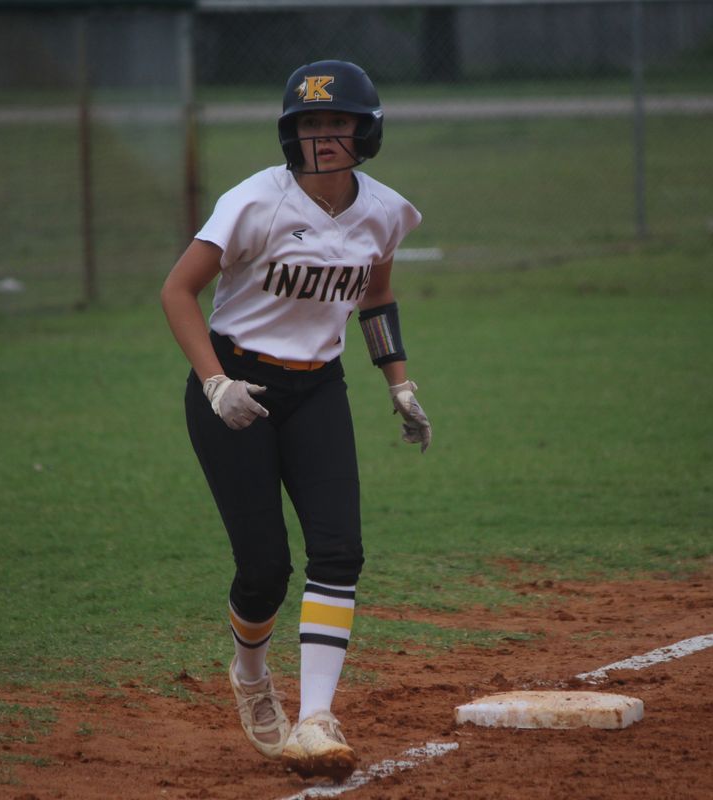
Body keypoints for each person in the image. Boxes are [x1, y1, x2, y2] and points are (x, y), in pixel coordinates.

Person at [159, 59, 432, 782]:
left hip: (318, 388)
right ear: (290, 133)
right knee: (265, 568)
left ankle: (315, 719)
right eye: (309, 122)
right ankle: (250, 671)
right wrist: (215, 385)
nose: (322, 134)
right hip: (235, 381)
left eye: (336, 121)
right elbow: (178, 292)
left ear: (364, 130)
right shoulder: (255, 202)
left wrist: (399, 385)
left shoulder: (385, 211)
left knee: (339, 551)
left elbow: (375, 298)